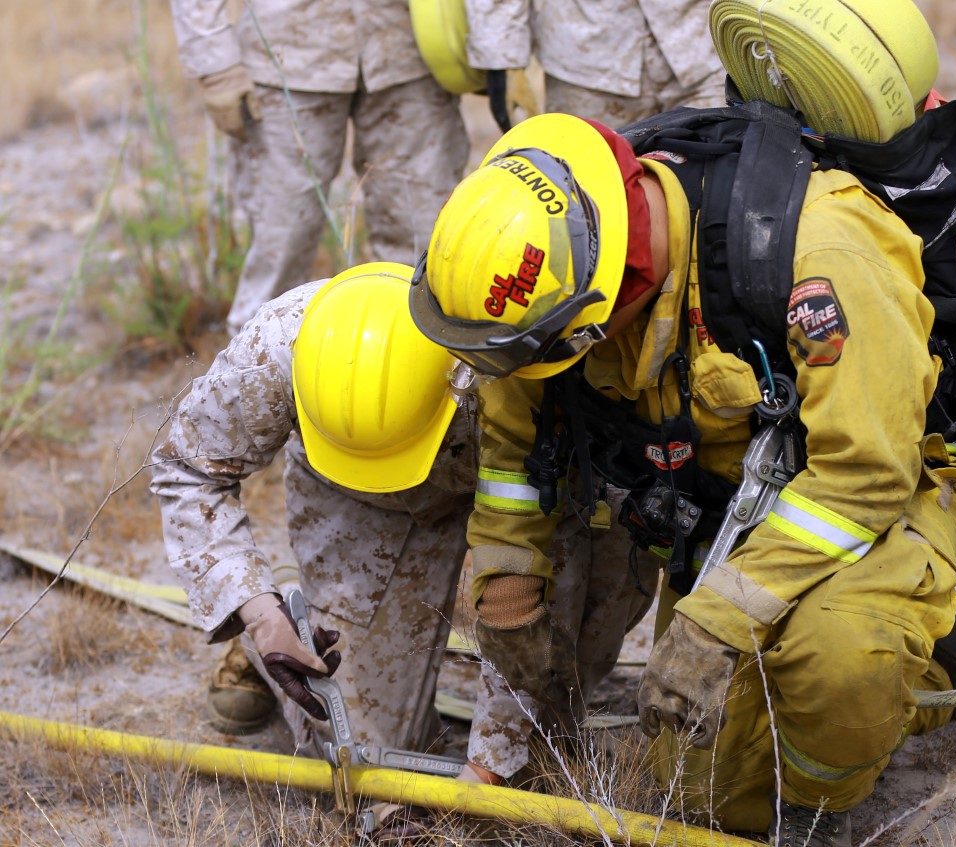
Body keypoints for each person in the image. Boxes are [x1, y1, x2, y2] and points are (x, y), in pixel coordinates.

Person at [407, 100, 956, 844]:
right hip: (729, 519)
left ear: (609, 299)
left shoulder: (820, 249)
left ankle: (856, 761)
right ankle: (887, 663)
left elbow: (866, 472)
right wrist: (507, 590)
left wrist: (718, 620)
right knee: (698, 794)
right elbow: (513, 452)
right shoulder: (546, 292)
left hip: (870, 502)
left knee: (834, 674)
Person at [148, 264, 504, 839]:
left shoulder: (507, 367)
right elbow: (187, 468)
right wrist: (259, 612)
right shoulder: (278, 346)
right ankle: (288, 607)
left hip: (510, 477)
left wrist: (491, 762)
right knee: (362, 754)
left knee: (552, 713)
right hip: (357, 498)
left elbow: (547, 553)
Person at [168, 0, 469, 334]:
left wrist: (485, 45)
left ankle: (419, 373)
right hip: (289, 56)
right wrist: (215, 63)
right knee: (280, 245)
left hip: (410, 51)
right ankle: (255, 377)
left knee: (423, 248)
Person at [464, 0, 724, 131]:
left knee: (714, 198)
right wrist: (502, 56)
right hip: (586, 65)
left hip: (704, 44)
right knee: (588, 201)